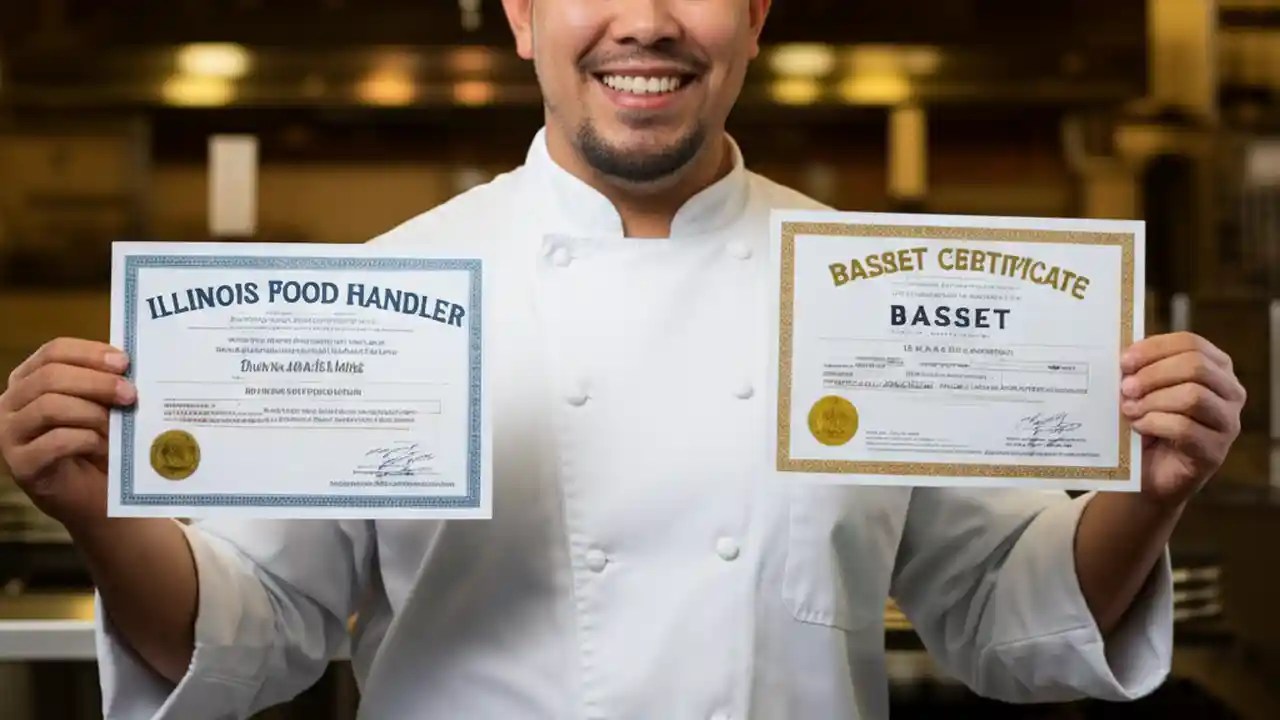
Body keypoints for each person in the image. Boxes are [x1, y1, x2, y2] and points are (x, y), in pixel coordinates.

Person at [0, 1, 1247, 718]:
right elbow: (251, 635)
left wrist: (1149, 486)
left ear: (755, 17)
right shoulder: (389, 294)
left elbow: (996, 616)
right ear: (522, 14)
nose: (644, 19)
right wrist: (98, 511)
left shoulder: (873, 293)